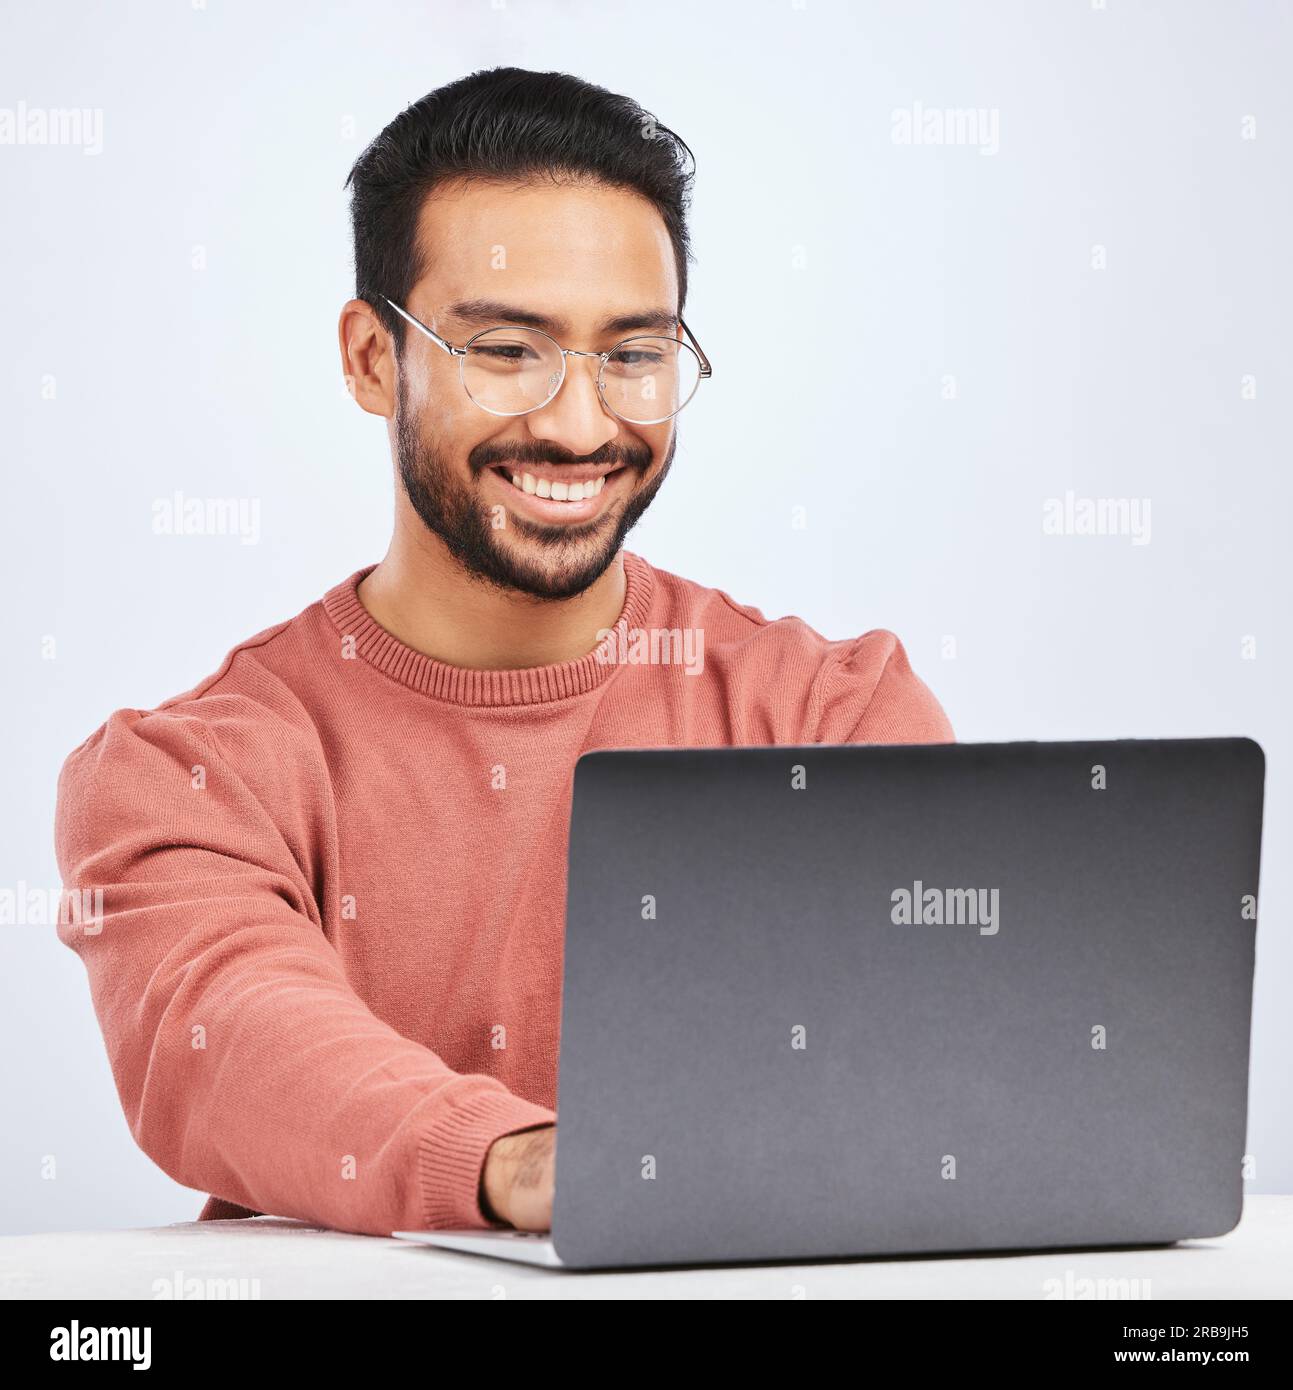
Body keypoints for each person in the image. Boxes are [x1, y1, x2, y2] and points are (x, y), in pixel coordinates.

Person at [54, 67, 953, 1237]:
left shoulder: (832, 719)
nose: (581, 426)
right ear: (374, 361)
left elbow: (944, 1082)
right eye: (507, 350)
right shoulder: (184, 777)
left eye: (633, 355)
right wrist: (517, 1163)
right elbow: (229, 1028)